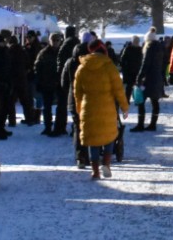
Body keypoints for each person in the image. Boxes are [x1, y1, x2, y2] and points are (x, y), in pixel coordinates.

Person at [73, 39, 129, 180]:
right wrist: (124, 107)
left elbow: (77, 92)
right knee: (109, 136)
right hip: (107, 108)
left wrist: (79, 108)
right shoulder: (109, 66)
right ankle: (107, 164)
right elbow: (118, 90)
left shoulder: (82, 67)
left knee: (93, 140)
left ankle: (95, 171)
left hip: (89, 108)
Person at [61, 43, 91, 168]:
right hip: (88, 99)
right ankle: (92, 155)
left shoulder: (69, 62)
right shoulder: (89, 63)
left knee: (78, 128)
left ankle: (80, 156)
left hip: (73, 100)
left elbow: (63, 82)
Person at [131, 29, 164, 132]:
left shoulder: (148, 48)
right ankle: (153, 124)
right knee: (155, 102)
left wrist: (139, 77)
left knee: (141, 101)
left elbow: (145, 64)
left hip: (147, 79)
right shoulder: (160, 48)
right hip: (157, 77)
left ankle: (140, 124)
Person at [34, 32, 64, 136]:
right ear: (50, 41)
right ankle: (47, 127)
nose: (55, 42)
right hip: (47, 83)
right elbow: (37, 68)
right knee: (47, 107)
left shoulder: (62, 52)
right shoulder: (43, 53)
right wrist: (39, 81)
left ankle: (59, 127)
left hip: (60, 84)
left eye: (57, 40)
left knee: (60, 107)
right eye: (53, 40)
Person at [119, 36, 143, 102]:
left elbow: (122, 60)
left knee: (132, 86)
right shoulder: (136, 49)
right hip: (132, 71)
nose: (136, 43)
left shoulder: (129, 49)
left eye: (137, 41)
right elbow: (122, 60)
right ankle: (132, 99)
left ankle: (131, 99)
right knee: (132, 86)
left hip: (133, 70)